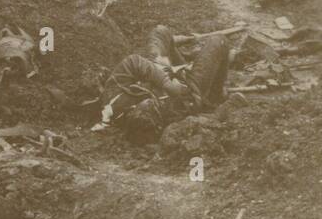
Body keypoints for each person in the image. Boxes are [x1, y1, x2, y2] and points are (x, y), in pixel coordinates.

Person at [96, 24, 230, 142]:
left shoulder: (112, 99)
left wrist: (164, 78)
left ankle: (179, 50)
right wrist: (175, 83)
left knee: (160, 31)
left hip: (159, 73)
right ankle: (214, 96)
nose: (149, 102)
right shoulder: (159, 123)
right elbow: (185, 106)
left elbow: (133, 61)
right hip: (189, 87)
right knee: (218, 40)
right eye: (153, 106)